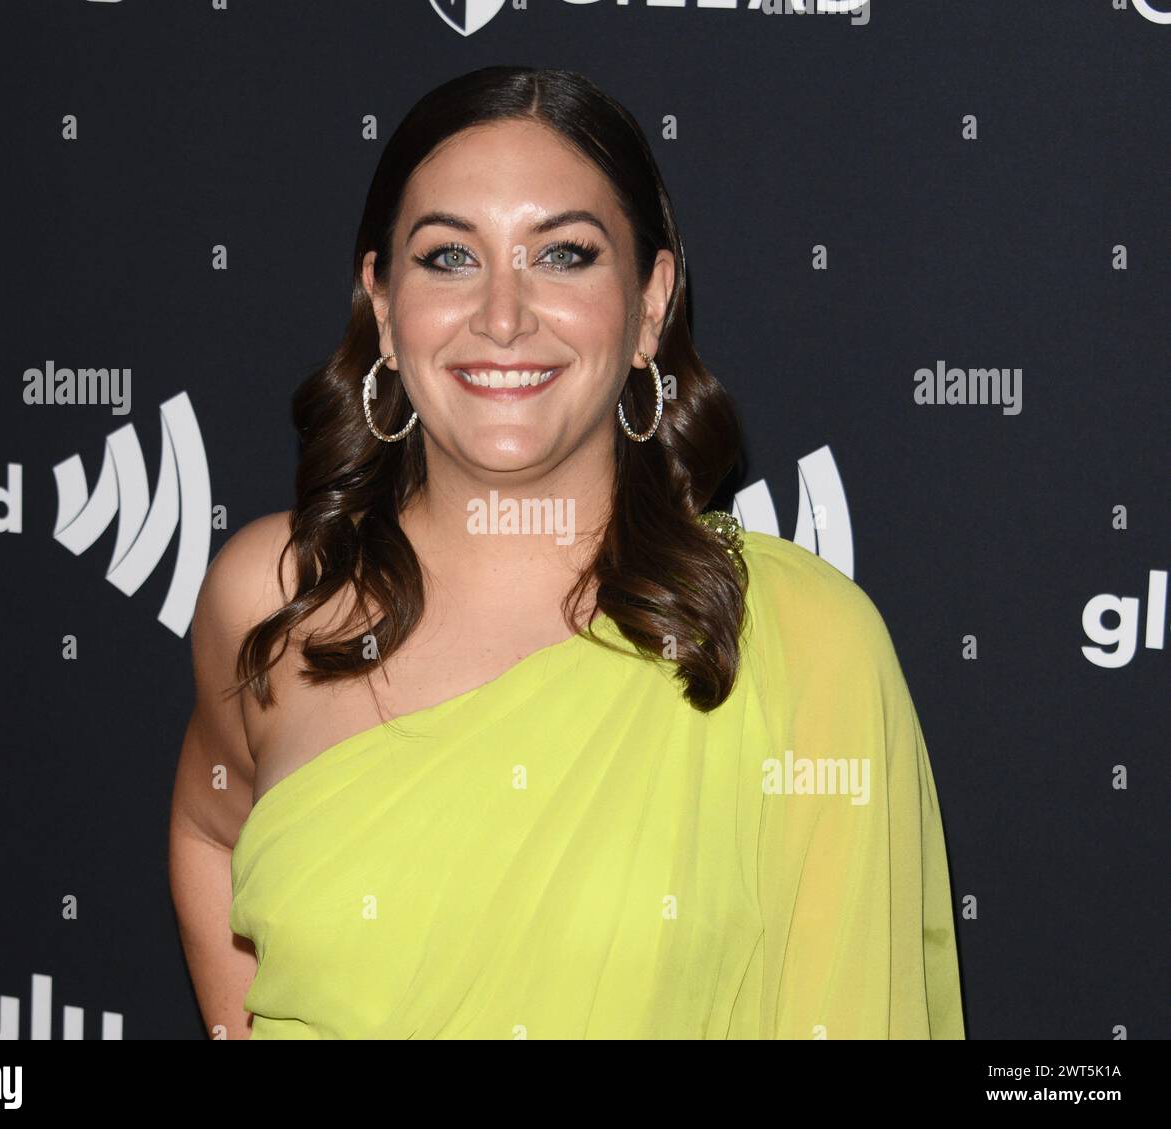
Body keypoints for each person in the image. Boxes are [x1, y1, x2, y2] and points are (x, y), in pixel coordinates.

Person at [168, 65, 965, 1040]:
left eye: (565, 255)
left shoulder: (803, 642)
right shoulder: (273, 595)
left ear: (649, 304)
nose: (503, 317)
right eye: (449, 258)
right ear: (383, 305)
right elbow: (209, 825)